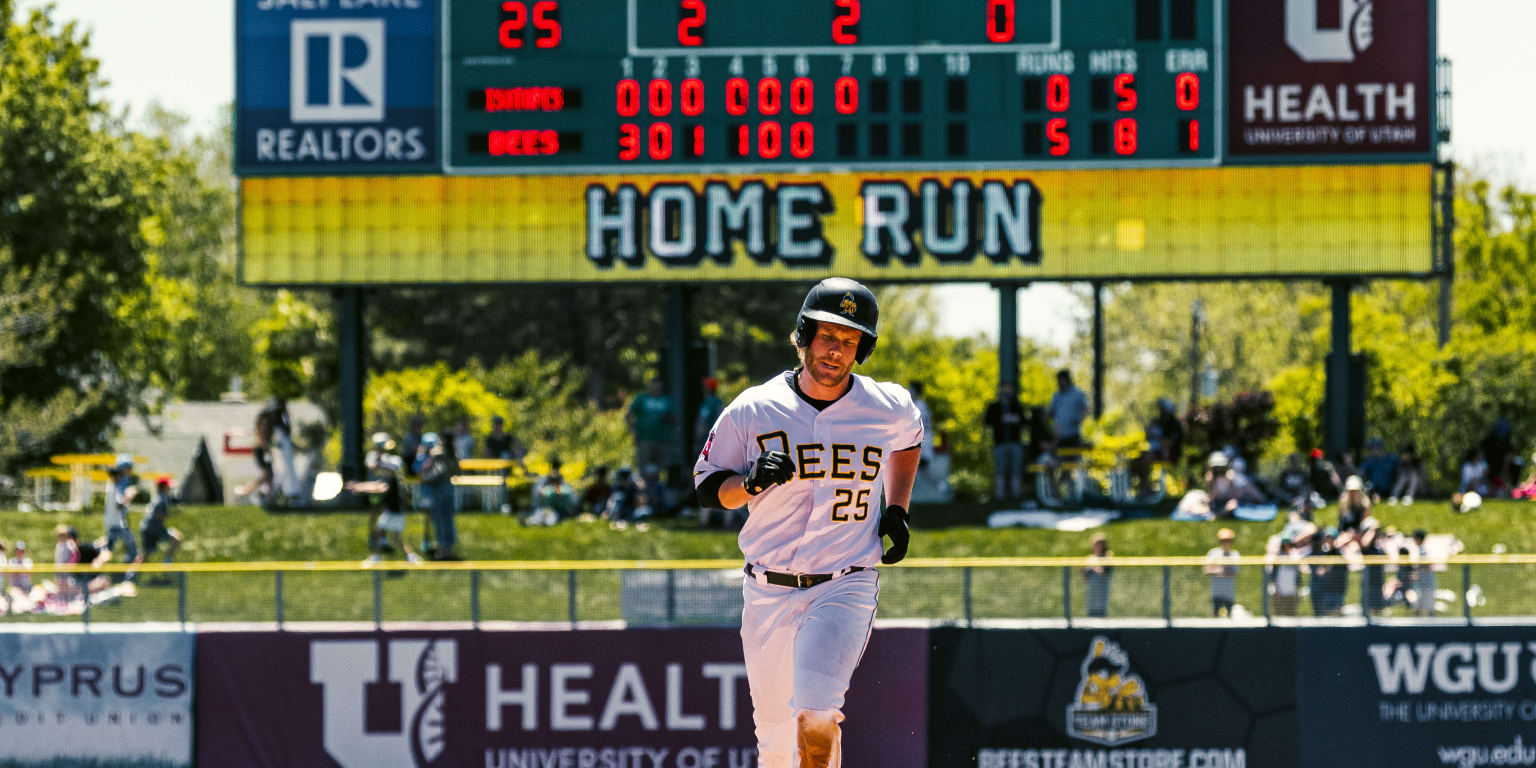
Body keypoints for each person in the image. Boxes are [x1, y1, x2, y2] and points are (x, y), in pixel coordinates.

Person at [691, 277, 922, 768]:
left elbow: (908, 441)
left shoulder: (887, 406)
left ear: (861, 350)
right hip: (768, 587)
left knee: (817, 712)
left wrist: (897, 506)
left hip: (846, 581)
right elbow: (708, 487)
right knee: (775, 741)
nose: (836, 350)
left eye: (849, 340)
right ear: (803, 335)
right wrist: (750, 482)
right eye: (827, 336)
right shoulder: (754, 407)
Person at [349, 454, 422, 566]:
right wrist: (359, 486)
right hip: (393, 512)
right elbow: (376, 484)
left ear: (390, 469)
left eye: (385, 468)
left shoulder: (391, 480)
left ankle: (377, 558)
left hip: (394, 513)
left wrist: (359, 488)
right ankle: (410, 557)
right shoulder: (393, 478)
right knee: (394, 537)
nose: (382, 469)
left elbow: (378, 488)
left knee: (382, 533)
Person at [416, 432, 460, 560]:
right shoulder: (451, 453)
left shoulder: (438, 454)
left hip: (439, 491)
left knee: (440, 520)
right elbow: (456, 470)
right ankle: (448, 548)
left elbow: (437, 471)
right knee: (447, 520)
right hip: (448, 488)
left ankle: (444, 549)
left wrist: (425, 479)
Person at [983, 381, 1027, 502]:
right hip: (1000, 443)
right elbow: (987, 421)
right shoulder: (994, 407)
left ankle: (1016, 496)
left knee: (1016, 469)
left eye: (1009, 388)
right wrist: (1001, 420)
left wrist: (1015, 420)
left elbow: (1025, 421)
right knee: (1001, 469)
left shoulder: (1016, 406)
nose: (1006, 391)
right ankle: (999, 496)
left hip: (1015, 443)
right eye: (1004, 388)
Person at [103, 454, 142, 579]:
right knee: (133, 552)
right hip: (119, 524)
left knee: (107, 550)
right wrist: (130, 495)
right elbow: (119, 505)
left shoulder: (113, 483)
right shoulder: (118, 484)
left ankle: (94, 571)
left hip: (111, 523)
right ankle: (129, 578)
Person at [628, 377, 677, 473]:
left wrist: (667, 418)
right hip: (644, 440)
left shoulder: (667, 400)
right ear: (650, 386)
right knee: (644, 468)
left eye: (658, 385)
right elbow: (629, 415)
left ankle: (659, 487)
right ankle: (644, 487)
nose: (656, 387)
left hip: (662, 441)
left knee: (662, 469)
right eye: (654, 385)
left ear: (661, 386)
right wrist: (633, 430)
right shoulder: (642, 399)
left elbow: (675, 419)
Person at [139, 476, 184, 578]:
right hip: (151, 530)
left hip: (156, 528)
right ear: (163, 487)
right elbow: (158, 514)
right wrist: (175, 513)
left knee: (176, 538)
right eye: (168, 486)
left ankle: (167, 564)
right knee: (146, 555)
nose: (170, 488)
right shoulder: (160, 499)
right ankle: (133, 575)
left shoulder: (162, 497)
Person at [528, 460, 580, 526]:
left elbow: (573, 500)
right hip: (542, 508)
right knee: (538, 517)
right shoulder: (542, 482)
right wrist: (542, 492)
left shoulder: (564, 485)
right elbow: (536, 495)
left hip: (558, 510)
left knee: (550, 520)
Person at [1308, 528, 1347, 616]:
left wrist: (1327, 569)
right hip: (1324, 593)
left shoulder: (1339, 555)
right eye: (1326, 538)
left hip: (1337, 592)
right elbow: (1319, 573)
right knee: (1325, 618)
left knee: (1336, 617)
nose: (1328, 541)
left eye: (1330, 538)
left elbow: (1340, 573)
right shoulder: (1321, 554)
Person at [1048, 369, 1089, 449]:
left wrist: (1080, 419)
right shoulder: (1056, 395)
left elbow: (1086, 409)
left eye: (1061, 380)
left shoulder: (1078, 393)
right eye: (1058, 380)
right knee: (1059, 459)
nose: (1059, 382)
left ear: (1067, 379)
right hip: (1059, 435)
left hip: (1073, 433)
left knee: (1075, 459)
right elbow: (1052, 412)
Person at [1204, 528, 1240, 618]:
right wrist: (1222, 571)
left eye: (1228, 540)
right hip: (1216, 591)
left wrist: (1218, 570)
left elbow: (1235, 572)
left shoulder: (1235, 554)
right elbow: (1207, 569)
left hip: (1229, 592)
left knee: (1229, 614)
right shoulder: (1213, 553)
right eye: (1223, 540)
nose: (1226, 543)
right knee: (1215, 614)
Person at [1268, 537, 1302, 616]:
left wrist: (1297, 590)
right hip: (1280, 593)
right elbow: (1273, 576)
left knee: (1291, 616)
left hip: (1291, 593)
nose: (1287, 547)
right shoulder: (1277, 559)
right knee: (1279, 616)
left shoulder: (1294, 559)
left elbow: (1298, 577)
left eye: (1289, 545)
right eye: (1285, 545)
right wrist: (1275, 590)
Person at [1083, 533, 1112, 618]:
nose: (1096, 546)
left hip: (1102, 593)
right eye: (1095, 544)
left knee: (1101, 616)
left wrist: (1095, 567)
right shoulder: (1090, 558)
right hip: (1092, 593)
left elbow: (1105, 574)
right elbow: (1085, 577)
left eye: (1098, 544)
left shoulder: (1107, 558)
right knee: (1091, 616)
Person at [1359, 438, 1397, 502]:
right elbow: (1360, 472)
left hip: (1389, 488)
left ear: (1380, 448)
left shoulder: (1391, 459)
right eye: (1371, 448)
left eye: (1374, 448)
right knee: (1369, 486)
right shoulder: (1370, 461)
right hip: (1374, 489)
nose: (1372, 450)